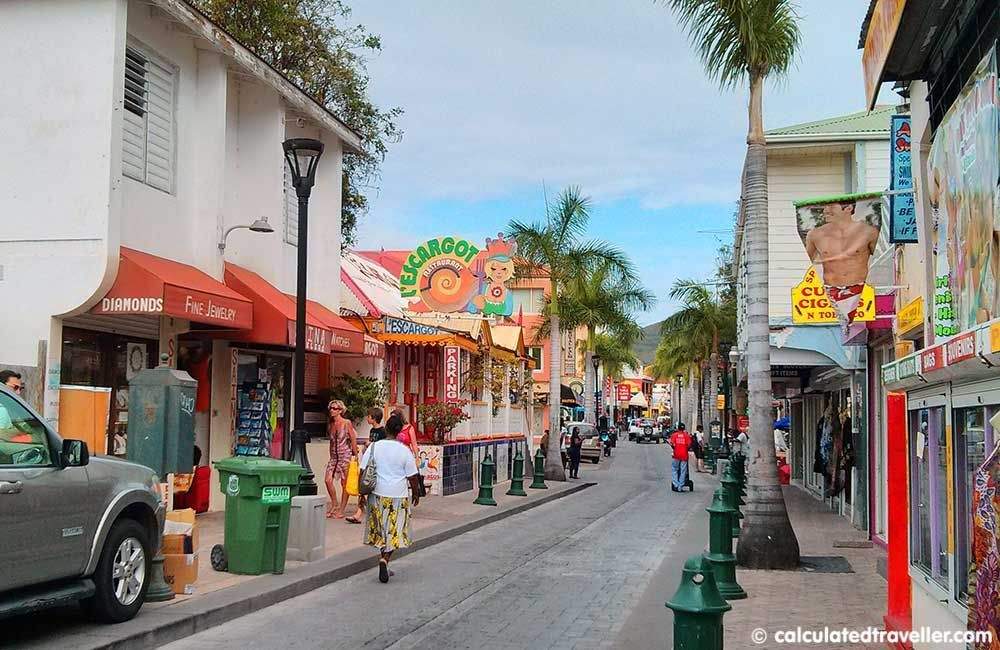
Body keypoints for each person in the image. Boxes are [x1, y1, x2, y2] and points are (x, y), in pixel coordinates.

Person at [360, 414, 420, 583]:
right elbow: (413, 476)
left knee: (381, 530)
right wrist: (415, 493)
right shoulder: (404, 450)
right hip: (397, 496)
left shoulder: (374, 447)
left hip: (376, 495)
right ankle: (385, 559)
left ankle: (383, 559)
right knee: (394, 530)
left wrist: (361, 495)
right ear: (400, 431)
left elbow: (363, 470)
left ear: (386, 429)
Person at [803, 199, 879, 323]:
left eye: (831, 206)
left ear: (848, 208)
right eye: (825, 206)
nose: (825, 210)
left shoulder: (868, 232)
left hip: (860, 291)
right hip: (830, 293)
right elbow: (805, 264)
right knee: (833, 333)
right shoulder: (815, 234)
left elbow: (880, 261)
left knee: (862, 330)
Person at [348, 407, 387, 523]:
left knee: (371, 487)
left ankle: (367, 513)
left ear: (374, 418)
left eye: (369, 416)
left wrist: (371, 444)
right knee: (364, 486)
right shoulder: (372, 431)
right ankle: (358, 513)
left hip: (377, 464)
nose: (367, 418)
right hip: (369, 461)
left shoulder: (382, 431)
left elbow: (382, 446)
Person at [325, 400, 358, 520]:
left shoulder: (346, 423)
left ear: (340, 410)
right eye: (331, 408)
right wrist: (330, 455)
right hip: (334, 457)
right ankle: (335, 504)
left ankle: (341, 509)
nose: (332, 410)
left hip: (345, 455)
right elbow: (331, 441)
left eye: (335, 408)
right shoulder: (331, 424)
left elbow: (353, 439)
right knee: (328, 480)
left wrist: (355, 455)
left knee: (345, 483)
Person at [669, 423, 693, 492]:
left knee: (674, 469)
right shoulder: (686, 436)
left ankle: (675, 484)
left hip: (676, 455)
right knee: (683, 471)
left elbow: (672, 444)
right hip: (684, 455)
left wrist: (675, 448)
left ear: (678, 428)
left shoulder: (674, 435)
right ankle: (680, 486)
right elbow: (689, 445)